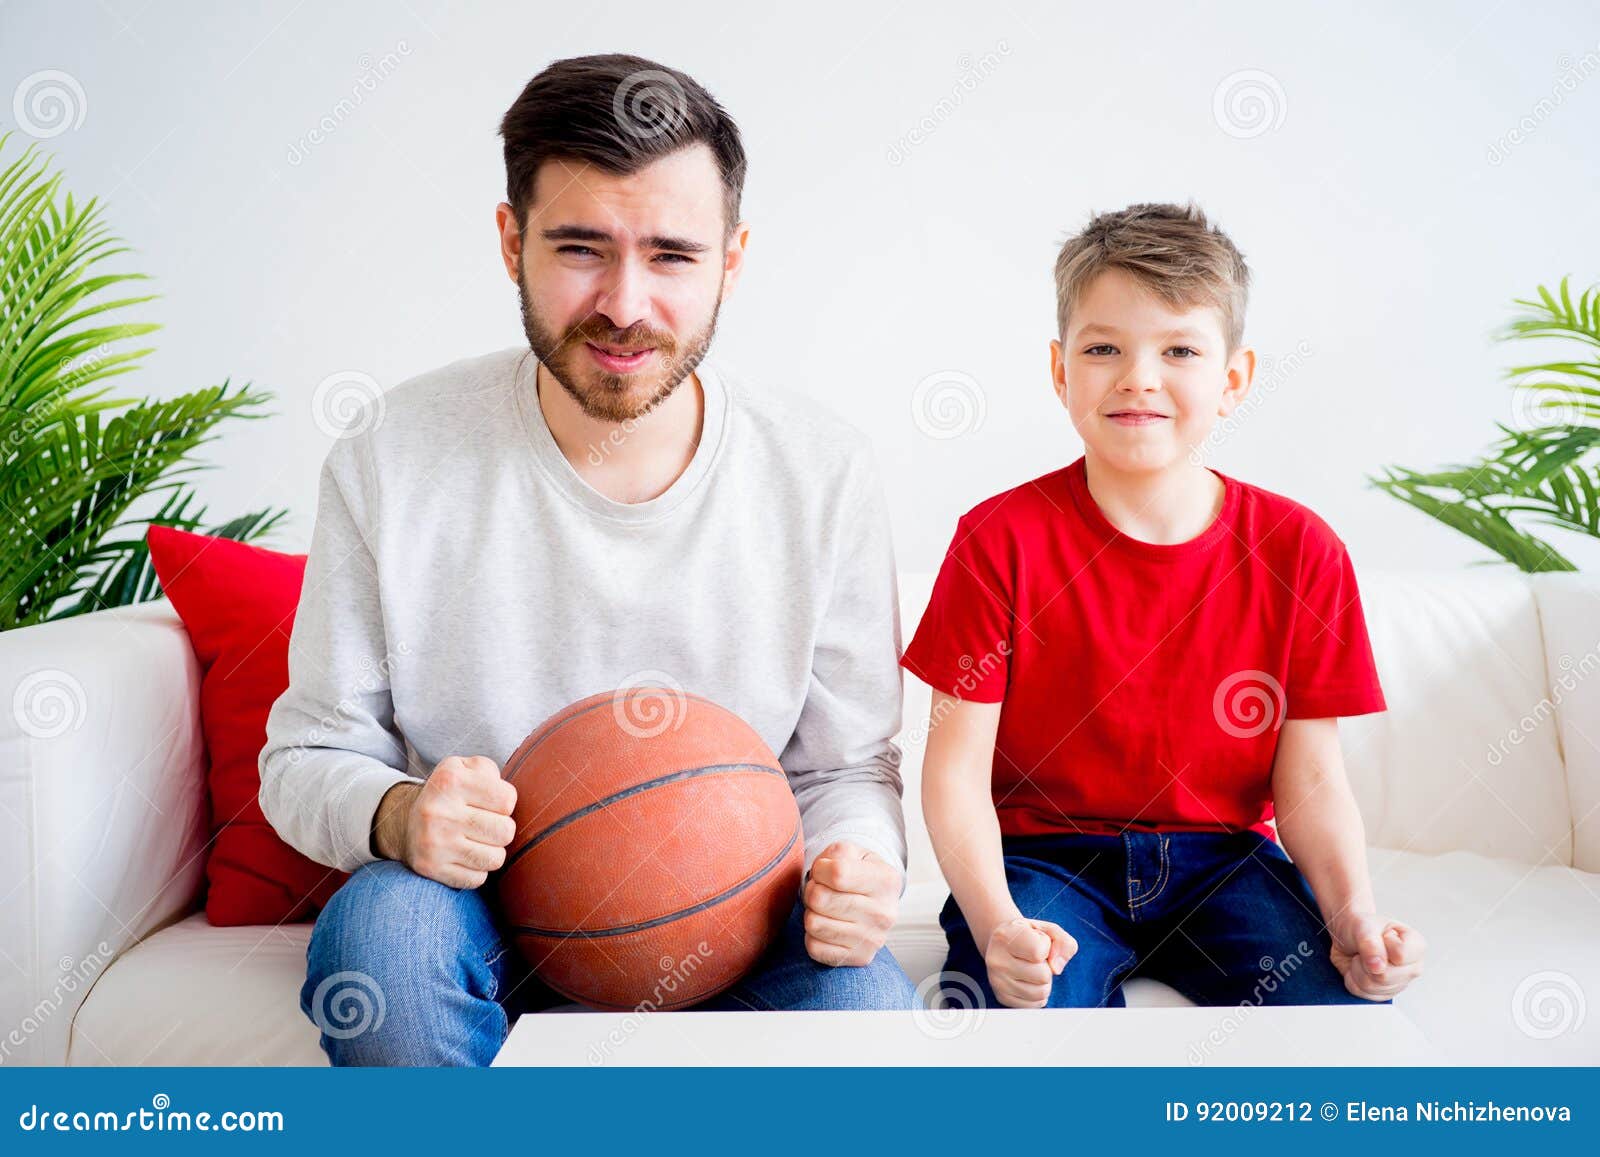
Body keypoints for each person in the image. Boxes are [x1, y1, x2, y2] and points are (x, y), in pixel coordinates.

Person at [259, 54, 915, 1067]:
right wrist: (398, 812)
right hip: (481, 909)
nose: (623, 303)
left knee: (868, 1000)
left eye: (671, 256)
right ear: (510, 240)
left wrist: (855, 863)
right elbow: (307, 755)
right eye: (580, 248)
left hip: (732, 915)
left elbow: (845, 766)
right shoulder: (392, 452)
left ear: (732, 261)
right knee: (381, 932)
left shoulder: (820, 469)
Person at [903, 202, 1426, 1010]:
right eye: (1103, 347)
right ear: (1060, 371)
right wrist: (999, 920)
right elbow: (955, 767)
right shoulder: (997, 539)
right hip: (1046, 862)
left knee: (1334, 1003)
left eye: (1179, 349)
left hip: (1225, 862)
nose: (1138, 376)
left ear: (1233, 380)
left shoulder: (1300, 550)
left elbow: (1312, 778)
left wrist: (1353, 912)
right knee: (1026, 1004)